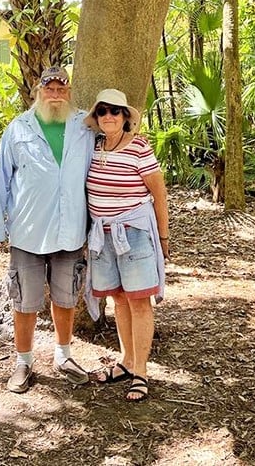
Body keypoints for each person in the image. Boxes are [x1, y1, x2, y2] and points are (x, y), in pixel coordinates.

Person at [0, 66, 95, 394]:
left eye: (61, 89)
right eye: (50, 88)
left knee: (66, 296)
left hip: (70, 229)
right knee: (25, 301)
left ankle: (64, 356)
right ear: (38, 91)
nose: (55, 94)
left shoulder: (85, 127)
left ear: (69, 92)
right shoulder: (18, 129)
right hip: (28, 231)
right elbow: (0, 179)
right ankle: (23, 362)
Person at [83, 88, 169, 402]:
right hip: (102, 236)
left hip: (133, 234)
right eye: (103, 111)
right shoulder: (93, 147)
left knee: (139, 301)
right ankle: (126, 361)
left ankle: (142, 372)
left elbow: (159, 194)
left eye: (115, 111)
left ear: (125, 117)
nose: (109, 116)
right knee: (119, 299)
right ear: (97, 117)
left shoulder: (139, 147)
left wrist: (163, 237)